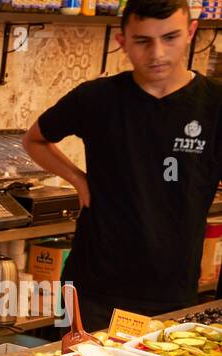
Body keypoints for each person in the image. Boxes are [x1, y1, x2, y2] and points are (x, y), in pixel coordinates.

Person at [24, 0, 222, 330]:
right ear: (122, 41)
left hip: (172, 288)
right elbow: (34, 140)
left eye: (170, 38)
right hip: (93, 287)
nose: (157, 53)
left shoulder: (215, 104)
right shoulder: (96, 98)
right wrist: (77, 179)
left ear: (191, 33)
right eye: (143, 41)